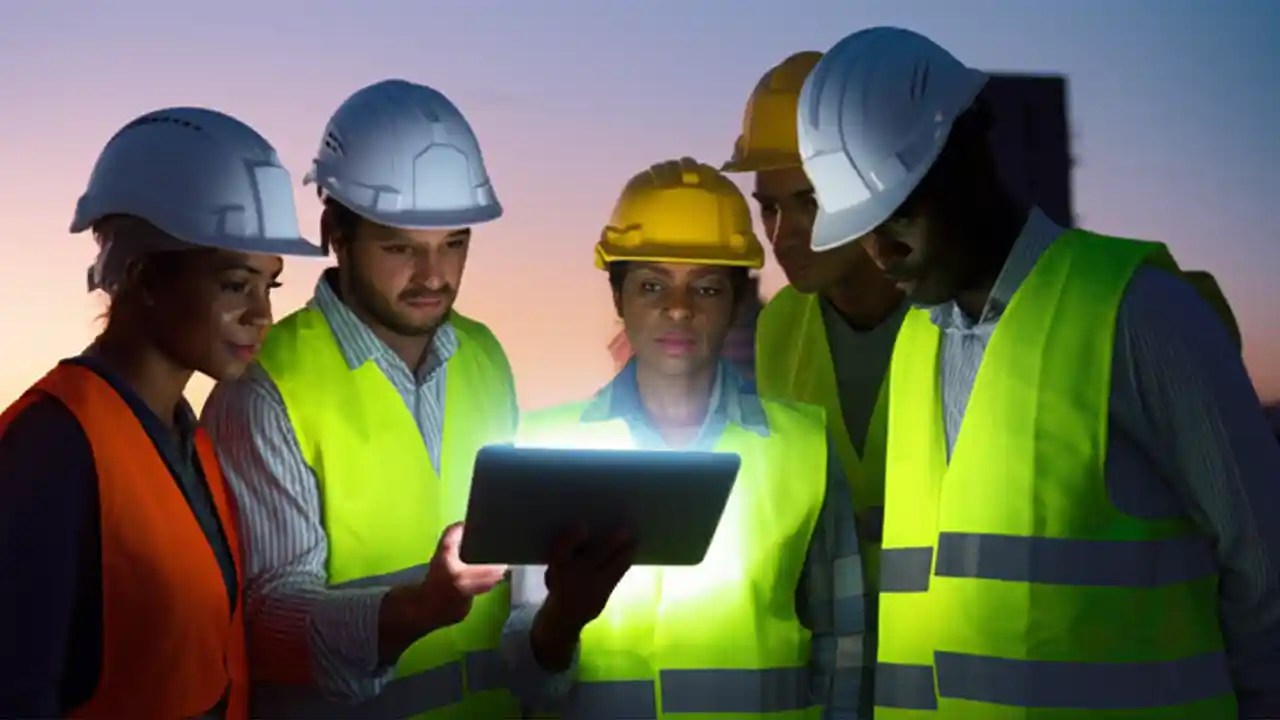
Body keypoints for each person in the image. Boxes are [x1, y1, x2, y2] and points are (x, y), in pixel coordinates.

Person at [797, 26, 1280, 718]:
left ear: (968, 159)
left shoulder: (1138, 315)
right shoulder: (914, 346)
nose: (880, 250)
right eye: (861, 226)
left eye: (900, 212)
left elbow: (1265, 572)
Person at [503, 157, 869, 718]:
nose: (678, 308)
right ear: (618, 298)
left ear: (737, 304)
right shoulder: (547, 446)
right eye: (653, 285)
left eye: (705, 287)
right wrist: (563, 618)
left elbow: (843, 651)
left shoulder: (805, 448)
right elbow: (521, 681)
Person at [201, 79, 522, 718]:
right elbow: (269, 624)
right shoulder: (266, 386)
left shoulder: (486, 356)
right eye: (401, 246)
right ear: (335, 234)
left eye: (454, 243)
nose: (434, 275)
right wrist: (420, 606)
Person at [0, 107, 322, 718]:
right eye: (234, 284)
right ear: (145, 277)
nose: (262, 316)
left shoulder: (188, 438)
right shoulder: (49, 448)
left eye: (269, 286)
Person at [722, 50, 906, 597]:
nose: (783, 236)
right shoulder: (779, 323)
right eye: (770, 208)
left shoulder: (958, 314)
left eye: (810, 201)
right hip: (836, 650)